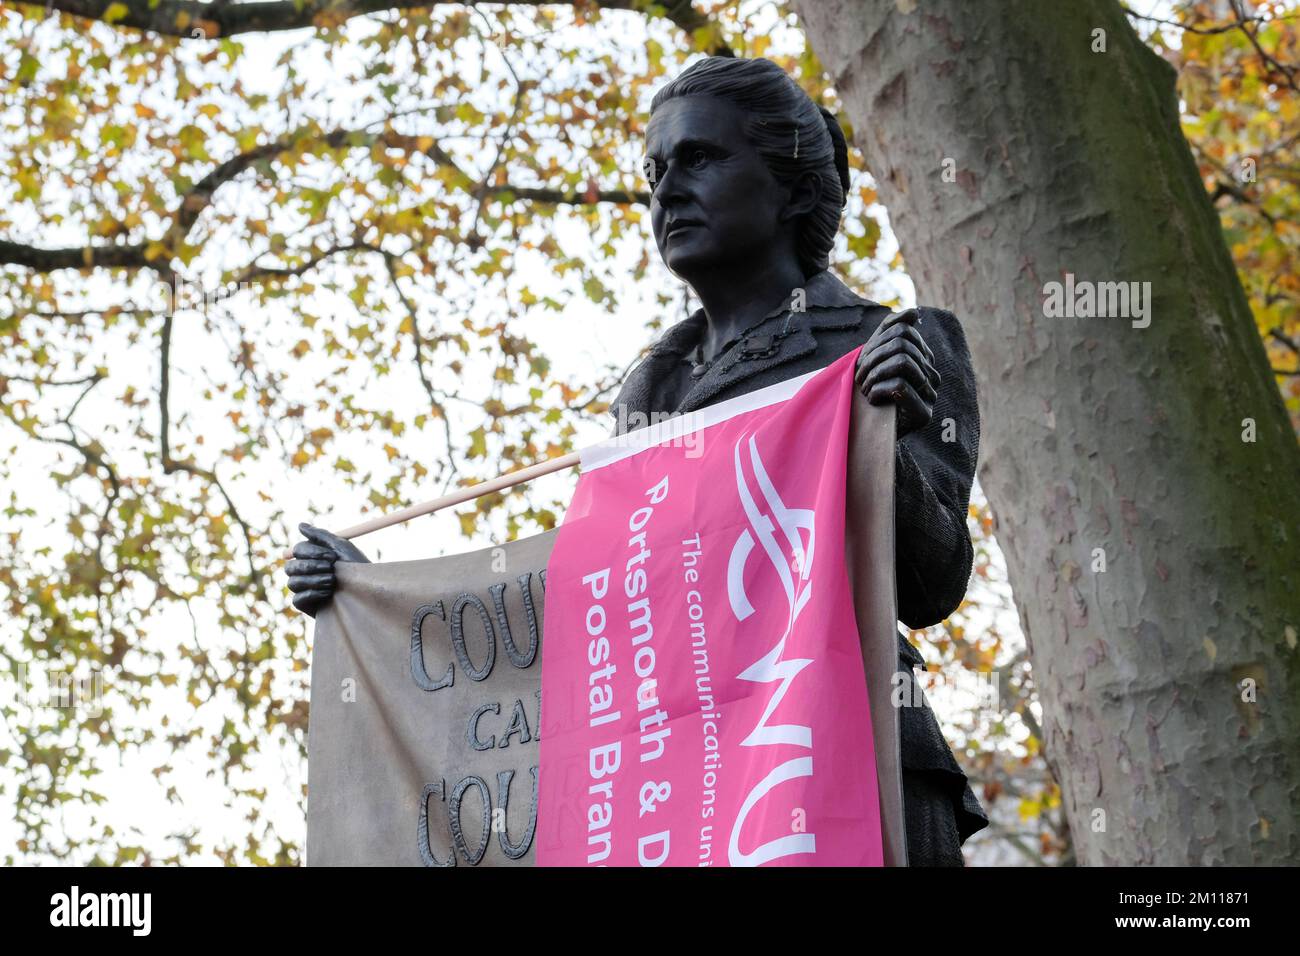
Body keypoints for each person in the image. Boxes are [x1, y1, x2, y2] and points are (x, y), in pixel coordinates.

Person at [287, 55, 988, 865]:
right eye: (654, 172)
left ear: (794, 187)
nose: (665, 192)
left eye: (699, 159)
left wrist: (873, 436)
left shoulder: (888, 344)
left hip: (846, 754)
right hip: (682, 786)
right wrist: (376, 601)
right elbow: (602, 610)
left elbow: (935, 583)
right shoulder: (646, 394)